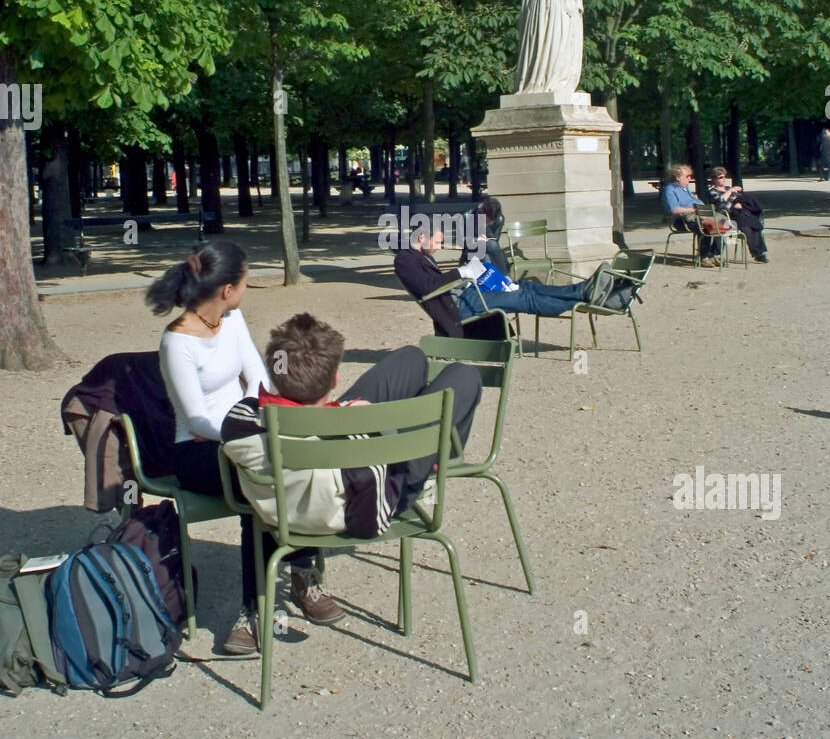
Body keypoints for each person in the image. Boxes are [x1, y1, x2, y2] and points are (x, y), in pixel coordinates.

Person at [145, 241, 338, 658]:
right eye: (247, 281)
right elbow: (195, 418)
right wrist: (246, 430)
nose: (249, 288)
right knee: (260, 478)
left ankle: (303, 570)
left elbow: (258, 376)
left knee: (287, 463)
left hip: (245, 433)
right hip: (197, 450)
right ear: (227, 289)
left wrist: (252, 422)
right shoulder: (177, 342)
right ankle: (255, 610)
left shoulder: (231, 318)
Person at [221, 313, 481, 546]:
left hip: (294, 490)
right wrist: (372, 425)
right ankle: (434, 462)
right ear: (335, 380)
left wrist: (344, 413)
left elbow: (249, 406)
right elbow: (372, 518)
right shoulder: (357, 448)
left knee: (411, 357)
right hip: (375, 494)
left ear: (277, 374)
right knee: (463, 375)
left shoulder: (242, 423)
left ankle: (426, 448)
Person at [394, 225, 595, 338]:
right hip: (459, 306)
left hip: (464, 296)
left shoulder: (417, 256)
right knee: (522, 297)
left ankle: (581, 290)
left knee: (525, 286)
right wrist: (461, 272)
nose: (439, 247)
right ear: (422, 237)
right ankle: (584, 294)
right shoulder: (404, 259)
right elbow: (427, 288)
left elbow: (436, 282)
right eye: (437, 242)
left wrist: (472, 262)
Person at [661, 164, 721, 265]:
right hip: (681, 220)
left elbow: (699, 203)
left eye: (690, 176)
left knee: (720, 224)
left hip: (696, 216)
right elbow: (674, 209)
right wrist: (693, 209)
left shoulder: (685, 189)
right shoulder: (670, 190)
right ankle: (704, 256)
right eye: (687, 176)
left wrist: (699, 206)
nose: (690, 178)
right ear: (678, 177)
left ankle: (714, 254)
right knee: (706, 226)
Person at [707, 167, 768, 262]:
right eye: (721, 177)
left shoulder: (728, 188)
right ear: (714, 179)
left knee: (753, 224)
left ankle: (759, 253)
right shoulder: (712, 191)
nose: (724, 179)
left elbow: (739, 198)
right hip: (725, 216)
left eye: (725, 177)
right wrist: (731, 194)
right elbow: (720, 204)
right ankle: (757, 252)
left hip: (739, 214)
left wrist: (739, 203)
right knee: (745, 225)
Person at [458, 195, 510, 276]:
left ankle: (500, 280)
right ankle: (505, 278)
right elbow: (460, 241)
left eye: (489, 222)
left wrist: (486, 234)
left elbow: (495, 240)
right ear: (480, 211)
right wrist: (476, 240)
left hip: (490, 252)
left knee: (487, 254)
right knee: (489, 249)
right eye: (486, 221)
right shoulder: (466, 216)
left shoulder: (499, 219)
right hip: (471, 252)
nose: (487, 224)